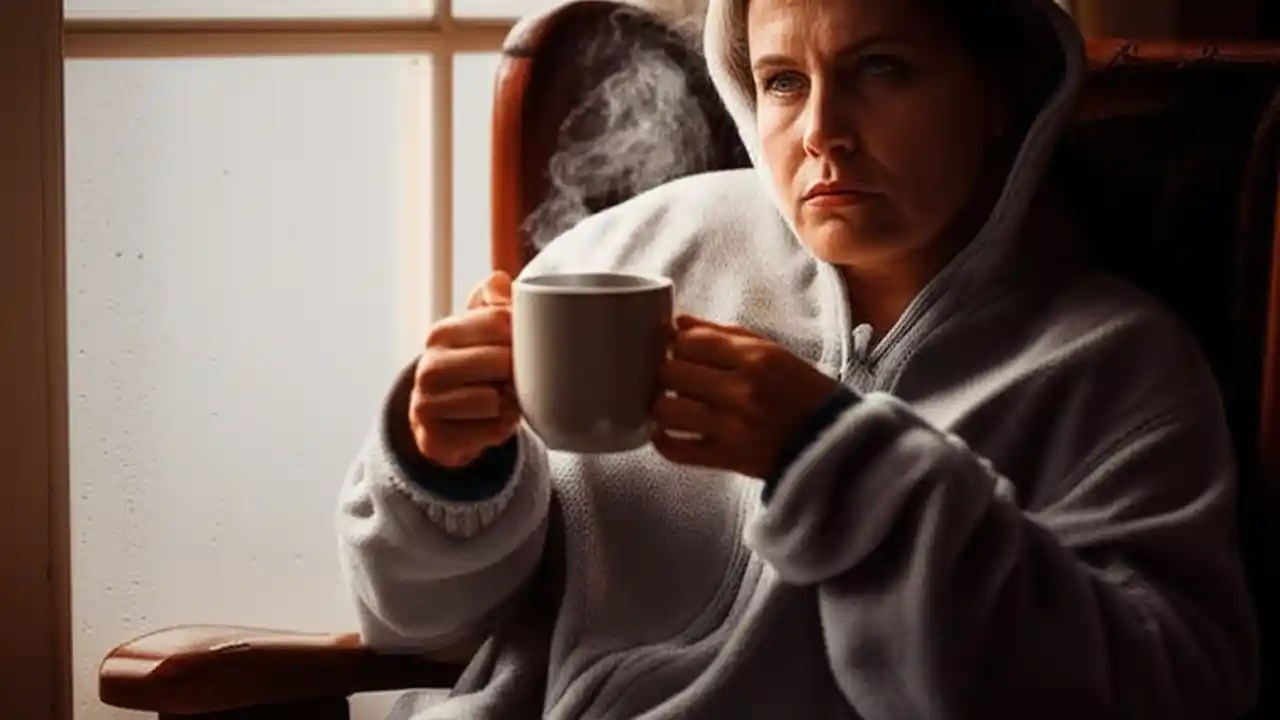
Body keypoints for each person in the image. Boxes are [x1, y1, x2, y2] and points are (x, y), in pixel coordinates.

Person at [338, 0, 1259, 716]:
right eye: (782, 80)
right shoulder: (626, 256)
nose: (821, 130)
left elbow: (1164, 694)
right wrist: (446, 469)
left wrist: (833, 459)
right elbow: (416, 623)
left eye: (880, 69)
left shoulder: (1116, 369)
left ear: (997, 90)